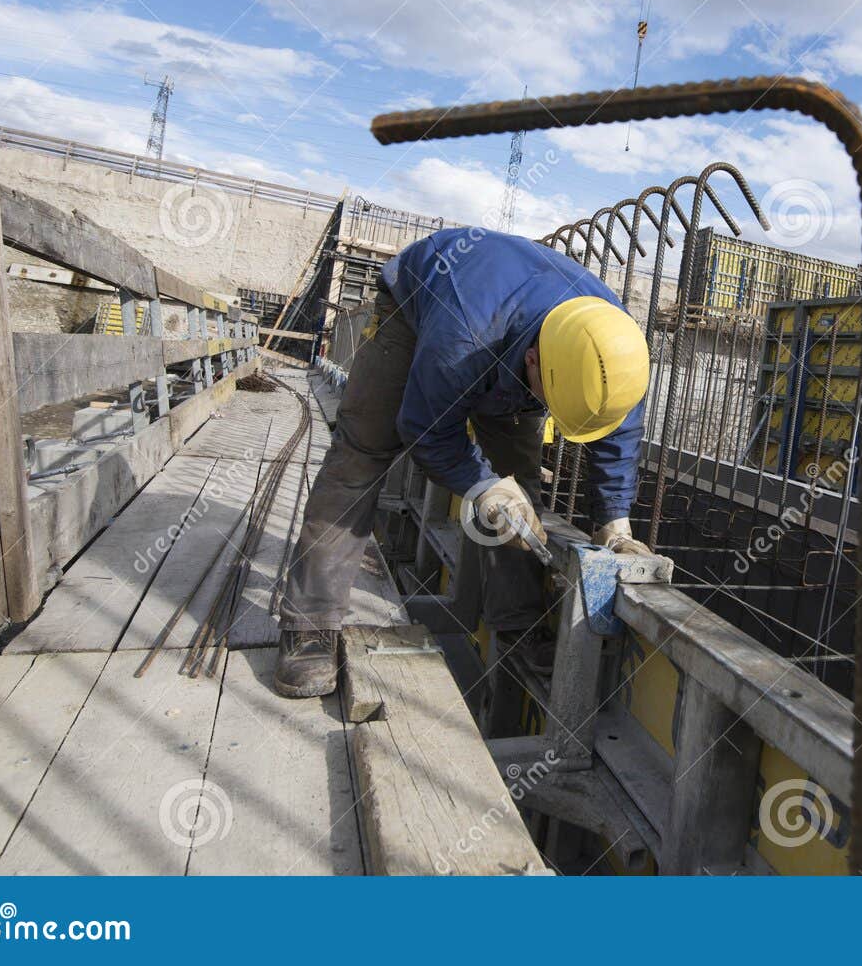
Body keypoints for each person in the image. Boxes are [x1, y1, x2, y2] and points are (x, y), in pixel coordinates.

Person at [274, 227, 653, 698]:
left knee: (520, 495)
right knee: (362, 454)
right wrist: (481, 485)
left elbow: (619, 434)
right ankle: (310, 624)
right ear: (534, 360)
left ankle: (518, 625)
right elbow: (425, 428)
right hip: (421, 311)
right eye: (548, 399)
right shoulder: (463, 334)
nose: (550, 413)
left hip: (515, 335)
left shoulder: (614, 352)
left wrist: (615, 522)